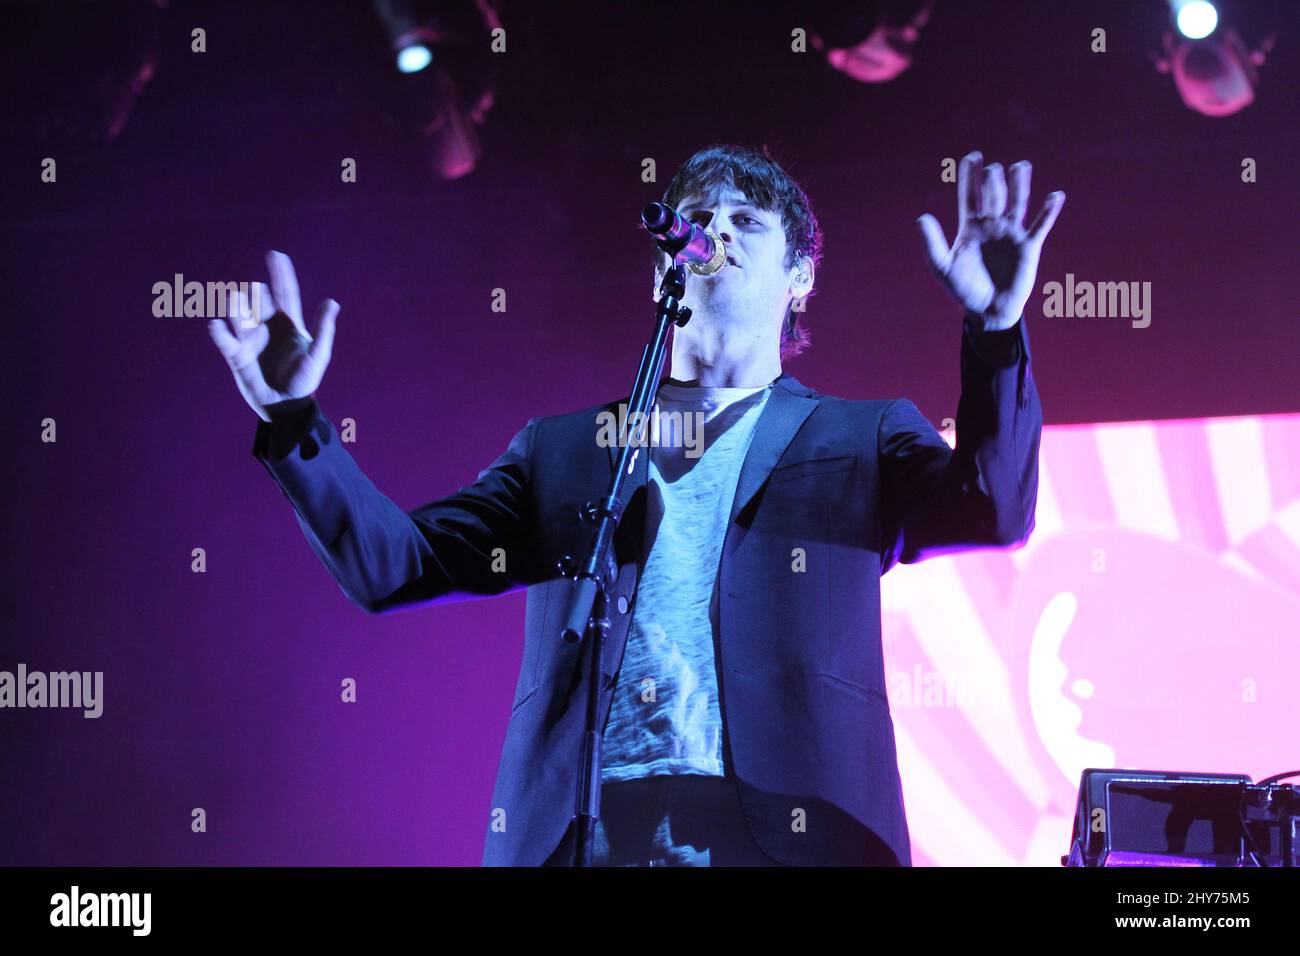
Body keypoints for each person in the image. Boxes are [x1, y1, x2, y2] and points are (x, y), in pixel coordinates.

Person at [207, 144, 1063, 866]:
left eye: (747, 223)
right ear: (665, 261)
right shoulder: (564, 449)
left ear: (800, 277)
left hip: (793, 830)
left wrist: (995, 332)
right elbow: (392, 565)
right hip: (588, 833)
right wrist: (292, 420)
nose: (715, 232)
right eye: (698, 219)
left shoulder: (860, 435)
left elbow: (995, 508)